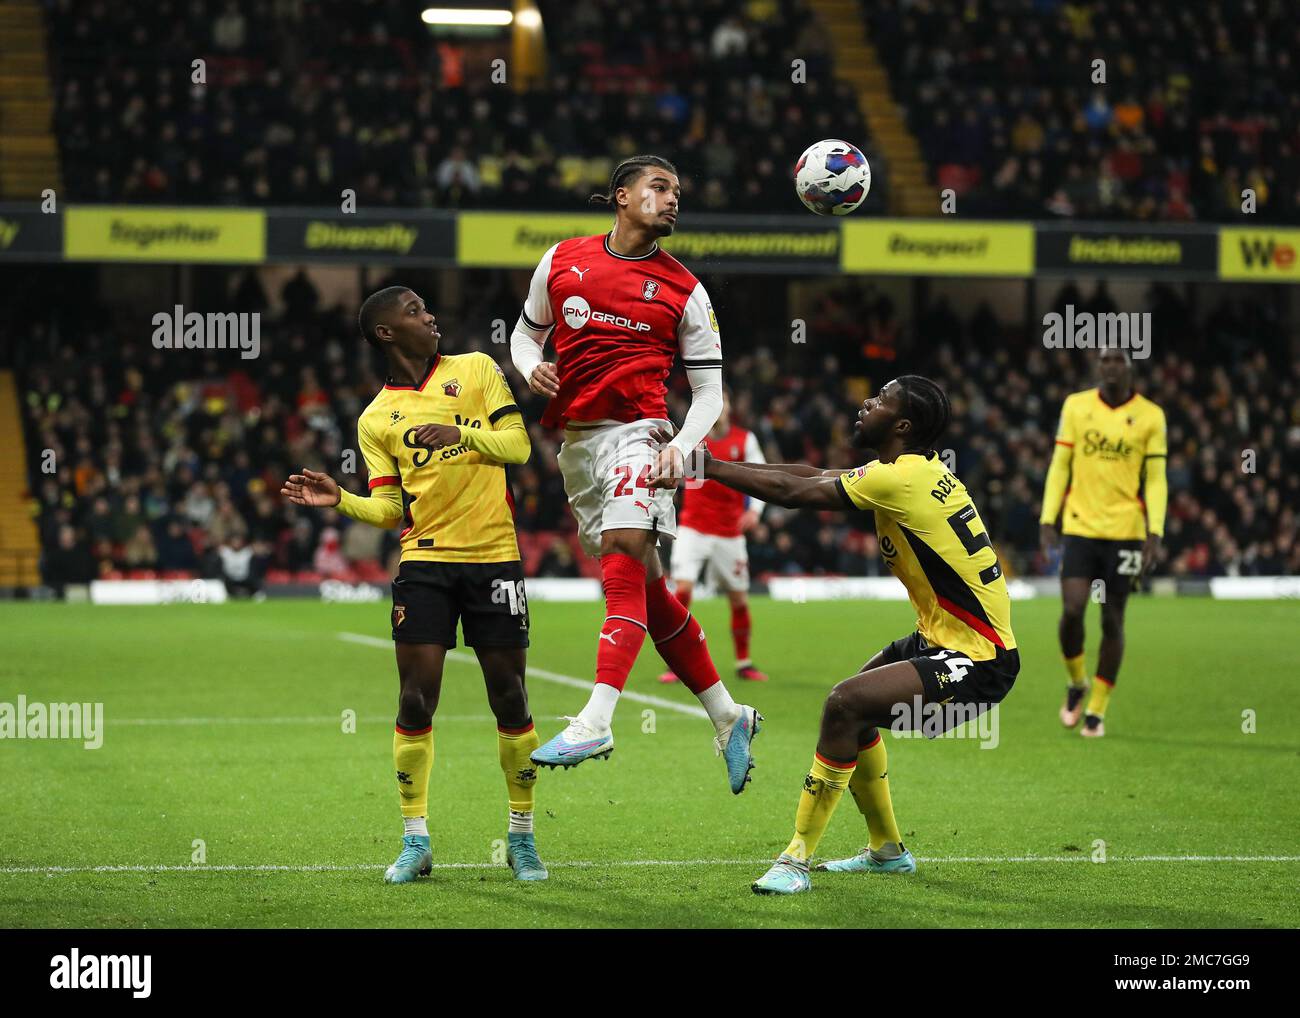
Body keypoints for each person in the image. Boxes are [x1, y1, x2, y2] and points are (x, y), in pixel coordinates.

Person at [681, 376, 1018, 894]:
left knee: (845, 703)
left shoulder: (899, 480)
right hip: (943, 639)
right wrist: (710, 465)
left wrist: (712, 468)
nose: (866, 403)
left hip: (979, 659)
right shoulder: (907, 471)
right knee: (855, 713)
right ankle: (887, 851)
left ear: (902, 426)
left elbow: (795, 493)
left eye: (880, 400)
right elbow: (810, 473)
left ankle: (795, 859)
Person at [509, 154, 761, 793]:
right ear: (622, 196)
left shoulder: (686, 290)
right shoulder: (563, 259)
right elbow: (524, 333)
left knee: (623, 554)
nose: (673, 199)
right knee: (648, 592)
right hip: (577, 442)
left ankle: (597, 718)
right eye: (660, 187)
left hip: (640, 435)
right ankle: (730, 717)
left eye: (679, 190)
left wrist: (680, 444)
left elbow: (709, 394)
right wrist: (527, 367)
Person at [281, 286, 546, 884]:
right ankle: (415, 839)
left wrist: (461, 434)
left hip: (494, 559)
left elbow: (518, 447)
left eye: (429, 307)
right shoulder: (376, 418)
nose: (430, 316)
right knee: (414, 700)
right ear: (385, 333)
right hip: (425, 563)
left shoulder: (477, 370)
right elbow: (388, 509)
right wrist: (341, 499)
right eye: (414, 311)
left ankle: (523, 836)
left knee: (510, 698)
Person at [1040, 347, 1167, 737]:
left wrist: (1155, 530)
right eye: (1105, 360)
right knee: (1073, 609)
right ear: (1098, 367)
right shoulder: (1076, 407)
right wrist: (1048, 518)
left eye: (1118, 360)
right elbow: (1060, 465)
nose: (1110, 366)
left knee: (1113, 618)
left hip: (1126, 532)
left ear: (1130, 368)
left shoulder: (1151, 415)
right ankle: (1076, 682)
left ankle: (1097, 707)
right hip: (1079, 526)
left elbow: (1157, 478)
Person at [660, 388, 768, 683]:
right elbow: (691, 482)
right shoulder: (696, 440)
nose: (719, 410)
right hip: (693, 528)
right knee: (682, 592)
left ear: (730, 407)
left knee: (739, 599)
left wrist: (755, 512)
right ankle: (676, 663)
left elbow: (761, 475)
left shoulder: (745, 440)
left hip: (730, 533)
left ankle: (743, 662)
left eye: (724, 403)